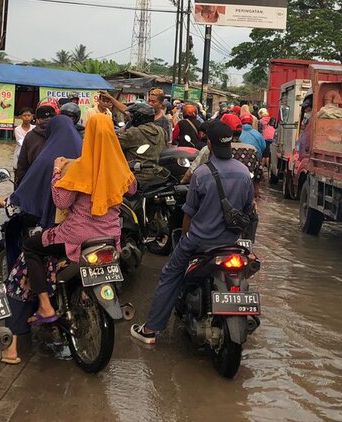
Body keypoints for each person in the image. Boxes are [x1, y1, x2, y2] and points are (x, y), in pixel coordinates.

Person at [131, 119, 256, 344]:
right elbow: (249, 211)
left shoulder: (202, 173)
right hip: (232, 242)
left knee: (171, 275)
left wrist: (186, 238)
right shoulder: (244, 172)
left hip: (200, 242)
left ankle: (150, 330)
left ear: (209, 143)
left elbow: (189, 213)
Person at [21, 114, 135, 327]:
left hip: (76, 236)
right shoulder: (121, 167)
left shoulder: (80, 167)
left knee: (31, 247)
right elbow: (132, 189)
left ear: (88, 135)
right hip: (110, 236)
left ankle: (45, 306)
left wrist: (56, 171)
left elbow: (62, 202)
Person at [0, 114, 83, 363]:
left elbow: (28, 189)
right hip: (96, 234)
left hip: (59, 232)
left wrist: (11, 200)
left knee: (20, 277)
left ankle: (12, 346)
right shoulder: (88, 158)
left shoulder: (50, 158)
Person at [117, 103, 167, 187]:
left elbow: (113, 146)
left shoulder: (133, 132)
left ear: (138, 118)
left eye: (132, 117)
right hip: (159, 174)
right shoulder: (162, 131)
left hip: (137, 176)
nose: (131, 119)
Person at [15, 102, 56, 185]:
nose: (26, 118)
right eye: (24, 115)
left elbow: (22, 164)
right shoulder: (60, 133)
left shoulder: (31, 134)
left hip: (34, 174)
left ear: (36, 119)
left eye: (28, 115)